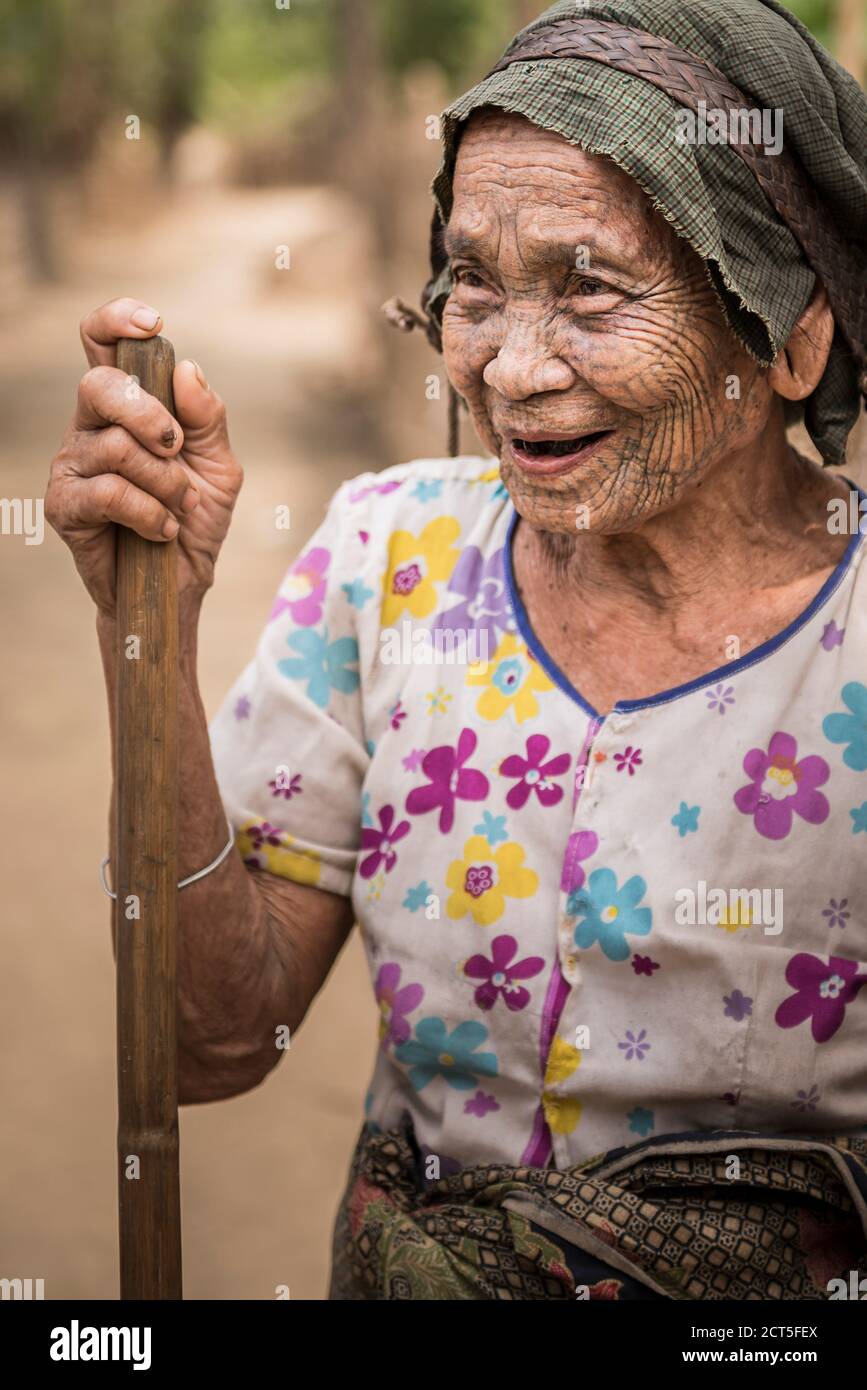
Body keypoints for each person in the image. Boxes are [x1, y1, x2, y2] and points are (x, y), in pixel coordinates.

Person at [46, 0, 867, 1300]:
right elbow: (206, 1041)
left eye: (590, 288)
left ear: (793, 329)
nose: (507, 367)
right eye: (472, 283)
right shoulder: (391, 560)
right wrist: (146, 630)